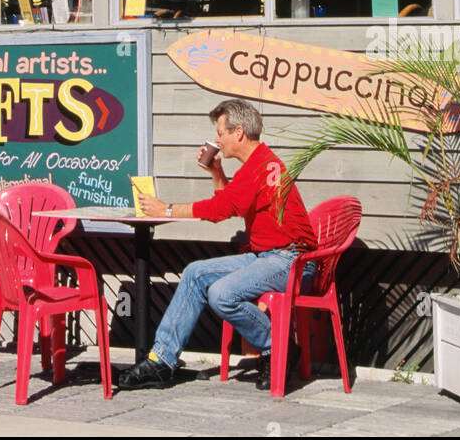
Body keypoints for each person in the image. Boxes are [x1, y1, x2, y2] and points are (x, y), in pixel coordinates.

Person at [118, 98, 317, 390]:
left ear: (238, 133)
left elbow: (219, 210)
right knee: (195, 272)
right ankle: (161, 361)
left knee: (222, 294)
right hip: (269, 256)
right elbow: (229, 203)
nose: (216, 139)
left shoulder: (259, 168)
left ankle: (279, 349)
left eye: (221, 132)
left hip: (293, 261)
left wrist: (167, 210)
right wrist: (216, 173)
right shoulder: (260, 163)